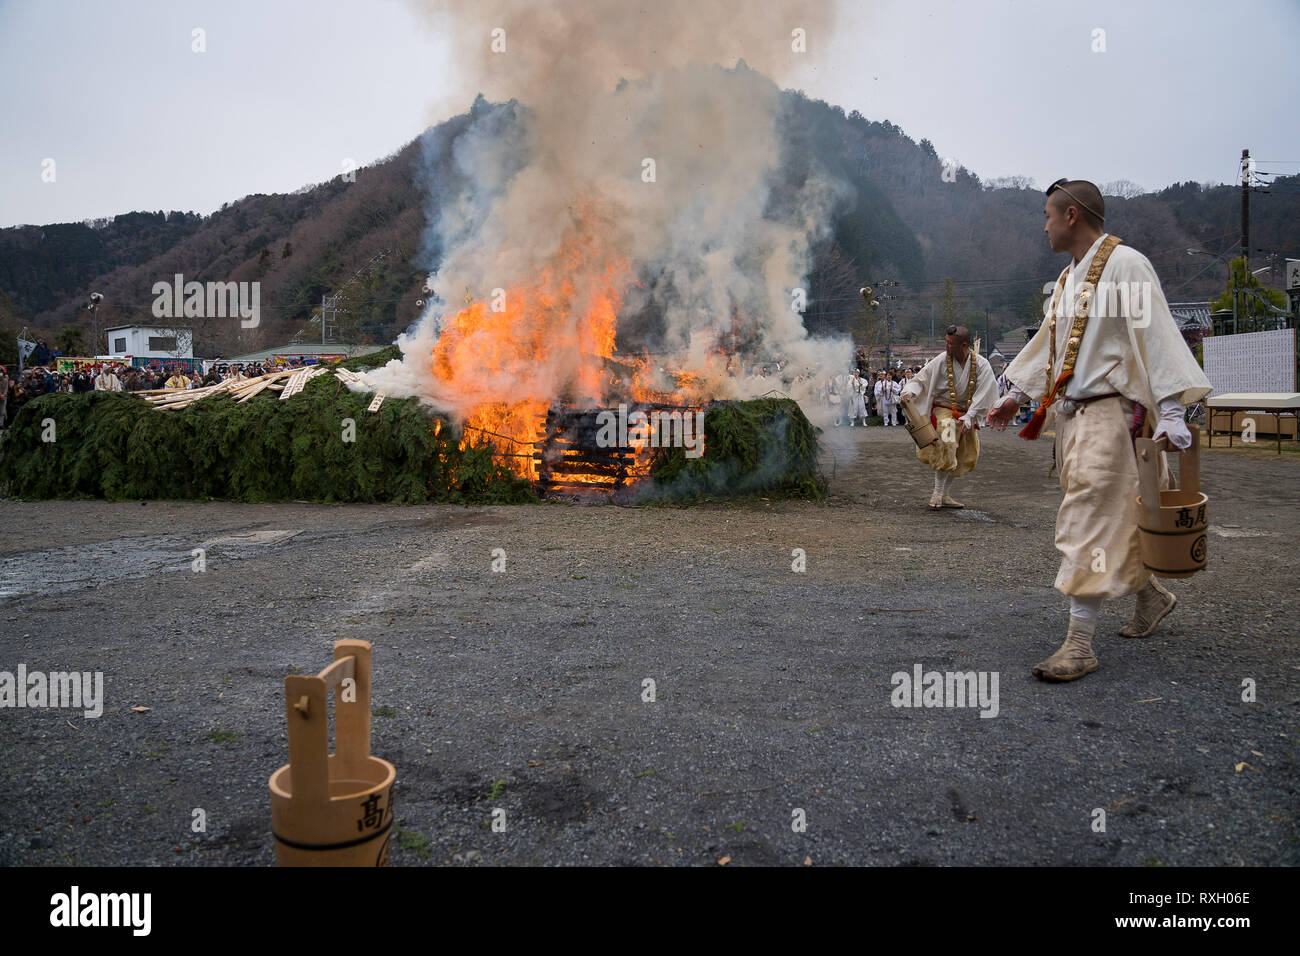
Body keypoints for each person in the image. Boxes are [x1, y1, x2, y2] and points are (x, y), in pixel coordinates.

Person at [987, 178, 1212, 682]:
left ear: (1071, 216)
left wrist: (1172, 410)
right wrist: (1017, 393)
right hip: (1072, 417)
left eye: (1047, 214)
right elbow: (1050, 343)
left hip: (1113, 414)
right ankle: (1151, 597)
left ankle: (1080, 643)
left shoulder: (1126, 264)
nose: (1042, 225)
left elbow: (1156, 332)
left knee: (1087, 515)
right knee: (1113, 513)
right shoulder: (1068, 281)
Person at [901, 325, 998, 509]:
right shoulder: (940, 360)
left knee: (964, 453)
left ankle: (945, 494)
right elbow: (921, 379)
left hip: (967, 413)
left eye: (950, 343)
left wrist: (970, 416)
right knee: (947, 438)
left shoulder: (982, 364)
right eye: (945, 341)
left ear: (963, 345)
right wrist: (908, 393)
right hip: (944, 410)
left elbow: (985, 390)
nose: (946, 346)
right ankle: (937, 493)